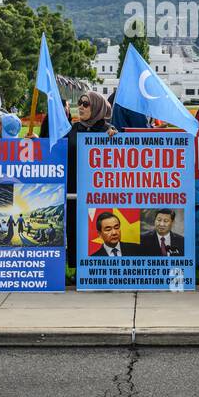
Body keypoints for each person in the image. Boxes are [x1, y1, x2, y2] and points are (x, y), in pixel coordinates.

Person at [68, 92, 116, 271]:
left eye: (86, 104)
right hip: (74, 191)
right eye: (79, 103)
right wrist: (37, 143)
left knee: (97, 230)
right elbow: (57, 148)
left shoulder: (109, 131)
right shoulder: (74, 129)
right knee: (75, 230)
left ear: (97, 107)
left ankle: (99, 270)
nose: (80, 106)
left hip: (98, 195)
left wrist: (117, 139)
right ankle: (76, 269)